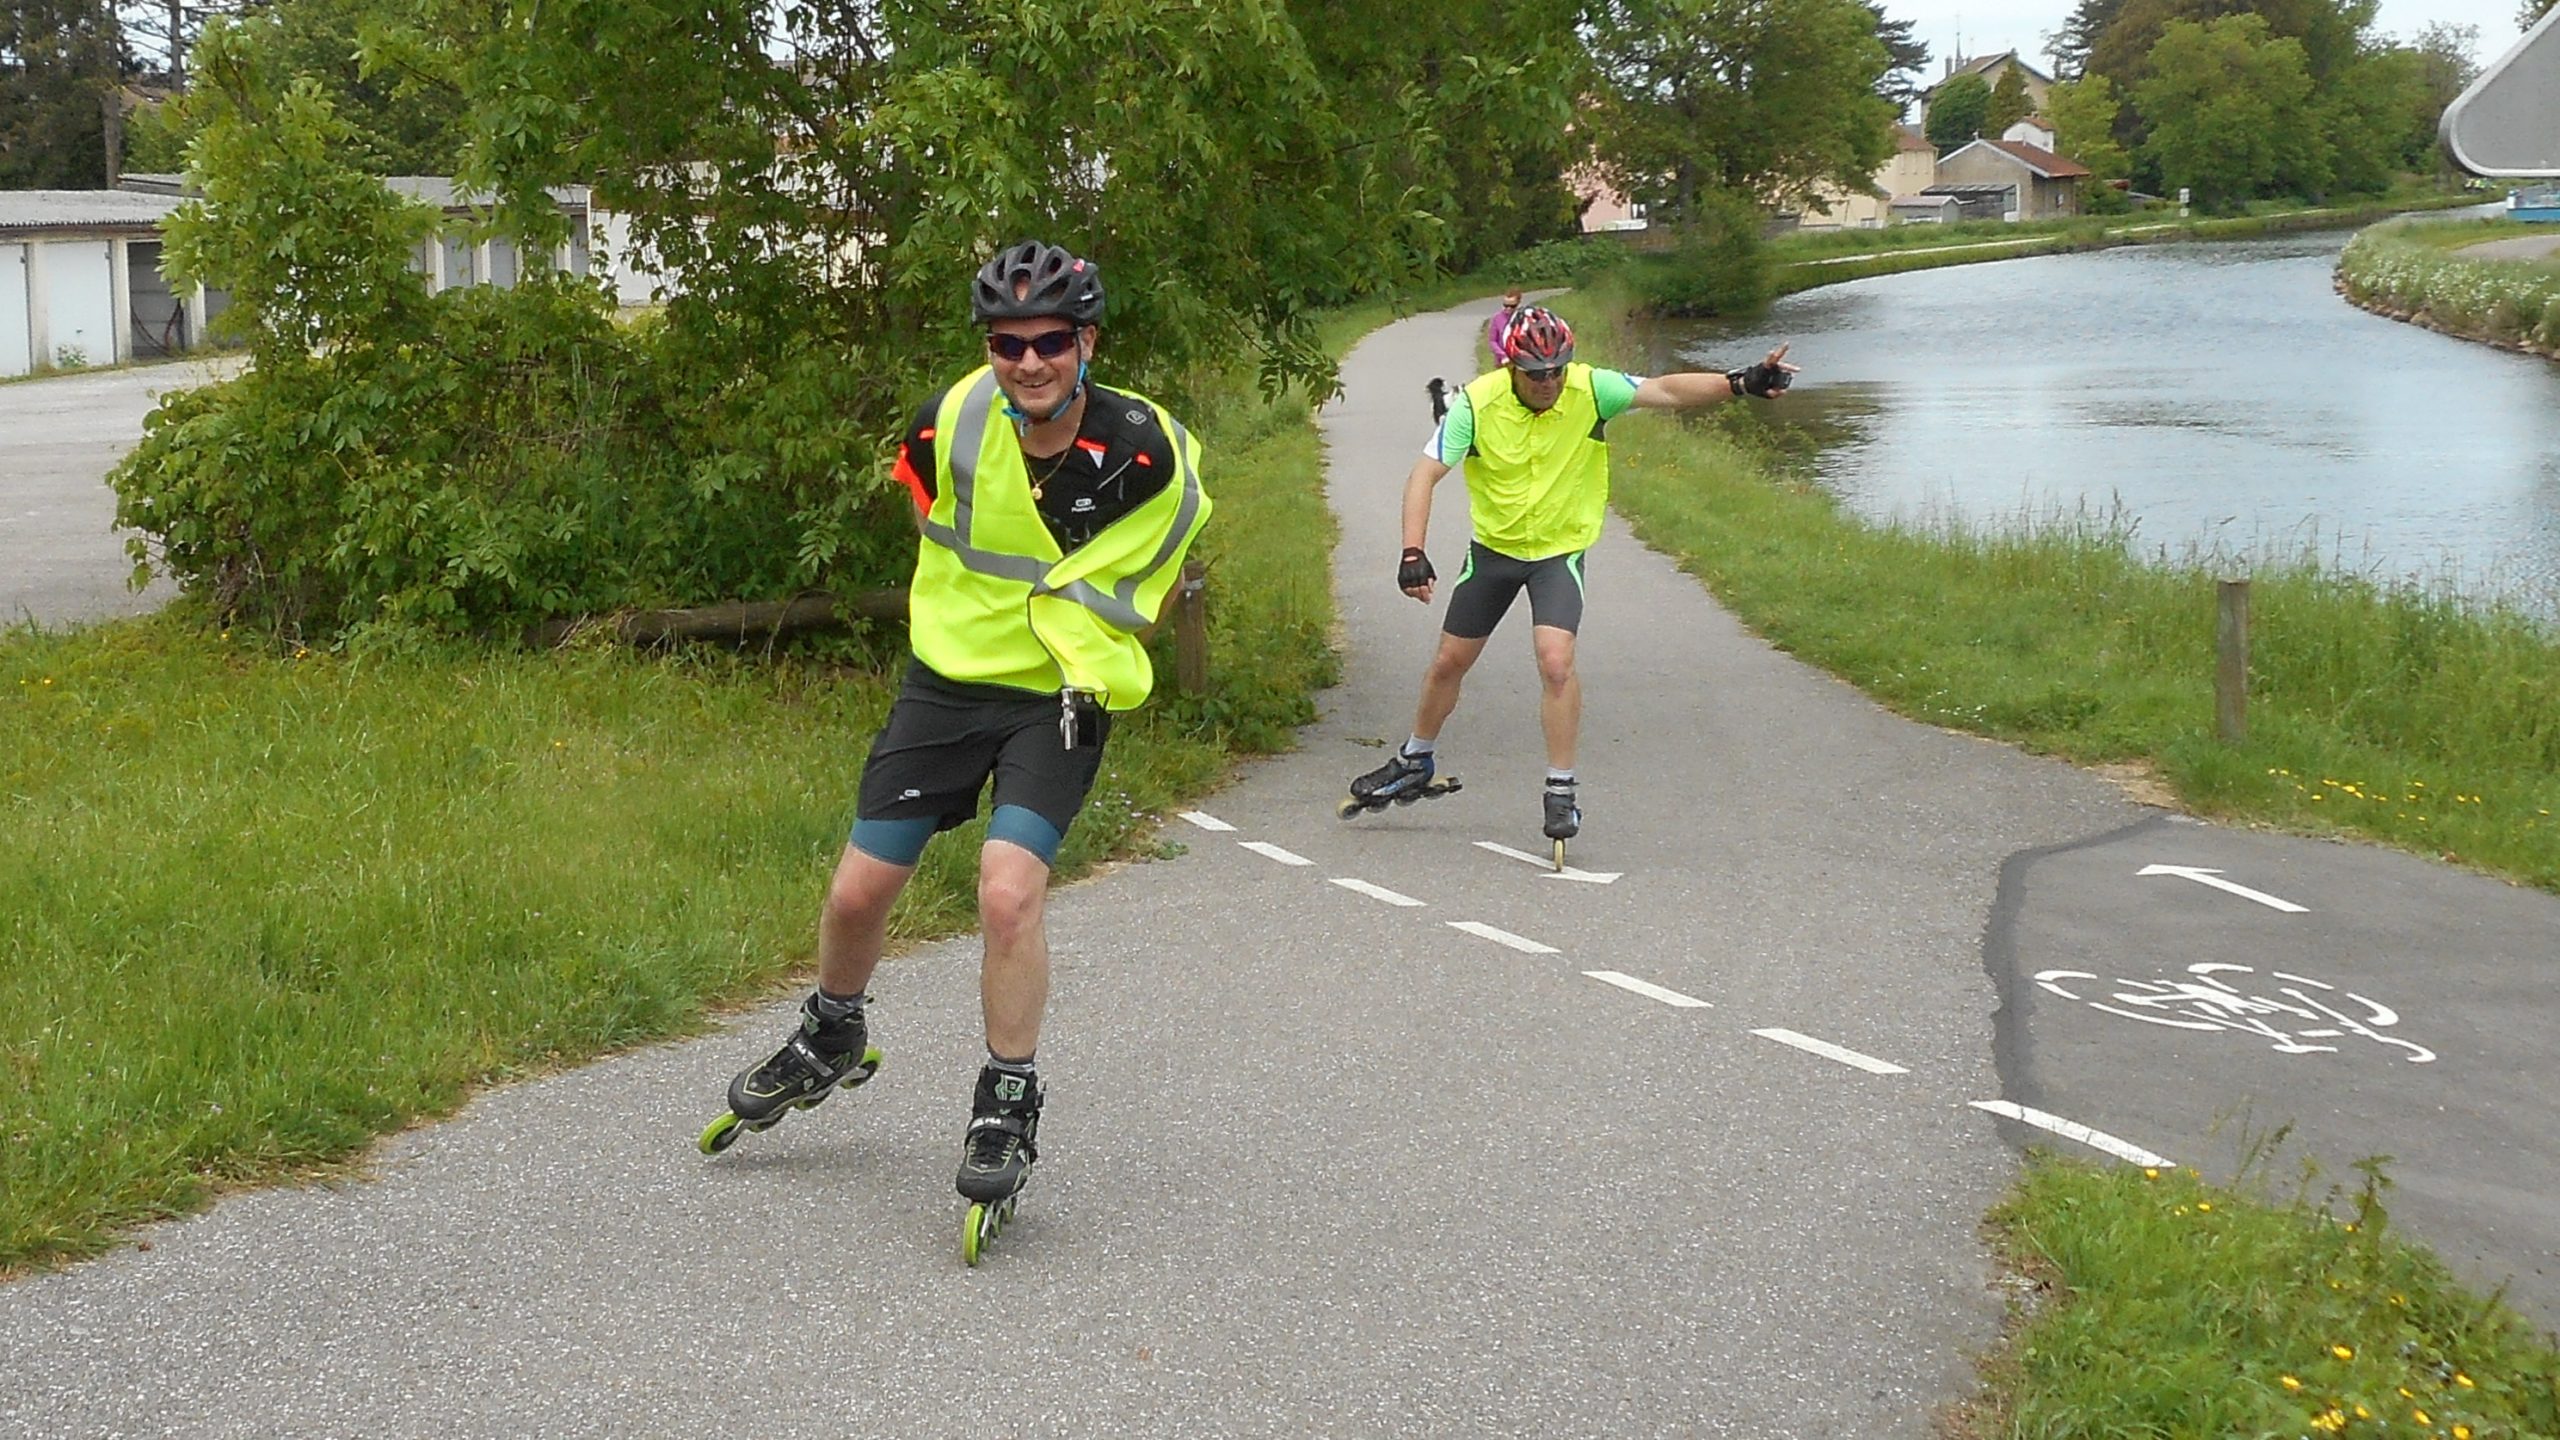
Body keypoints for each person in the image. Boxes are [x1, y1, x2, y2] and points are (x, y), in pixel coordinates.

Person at [708, 240, 1210, 1249]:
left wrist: (1081, 631)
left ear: (1087, 342)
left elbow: (1164, 555)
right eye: (1006, 343)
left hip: (1055, 692)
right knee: (857, 892)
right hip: (945, 684)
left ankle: (1006, 1096)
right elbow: (933, 519)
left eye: (1051, 342)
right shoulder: (951, 420)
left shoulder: (1146, 448)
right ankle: (833, 1031)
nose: (1029, 362)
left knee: (1004, 889)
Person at [1344, 305, 1794, 847]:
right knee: (1448, 661)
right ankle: (1414, 759)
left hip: (1559, 552)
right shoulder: (1475, 404)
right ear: (1511, 368)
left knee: (1556, 662)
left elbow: (1667, 392)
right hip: (1495, 551)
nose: (1550, 381)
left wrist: (1740, 382)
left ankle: (1561, 791)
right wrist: (1412, 551)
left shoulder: (1589, 389)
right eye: (1537, 372)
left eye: (1558, 368)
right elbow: (1423, 476)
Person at [1486, 286, 1524, 363]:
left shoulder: (1524, 317)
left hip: (1521, 361)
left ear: (1518, 304)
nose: (1508, 309)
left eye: (1512, 306)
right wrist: (1502, 355)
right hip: (1502, 361)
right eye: (1505, 305)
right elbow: (1492, 341)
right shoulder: (1497, 318)